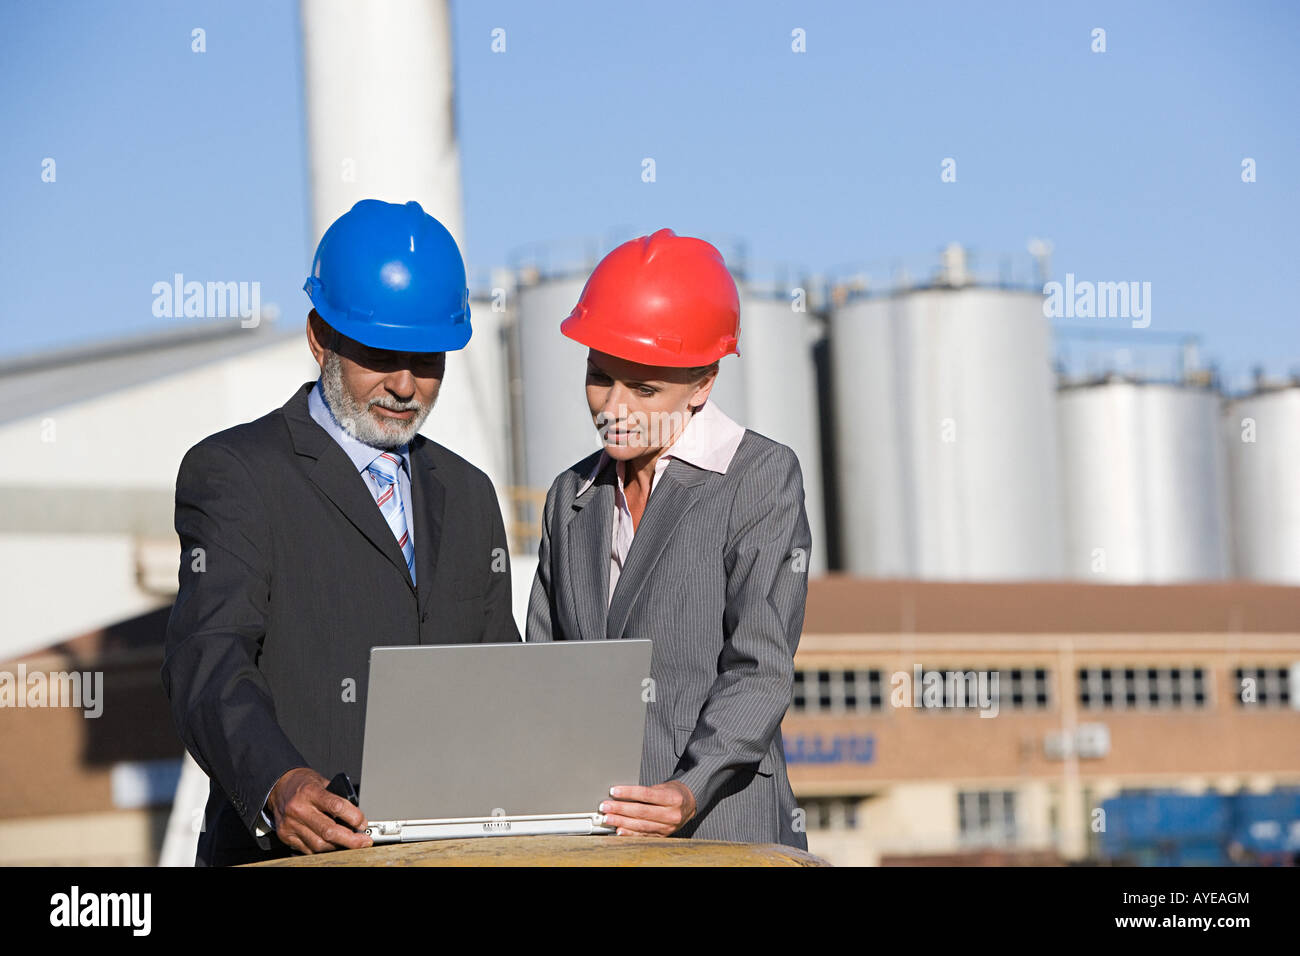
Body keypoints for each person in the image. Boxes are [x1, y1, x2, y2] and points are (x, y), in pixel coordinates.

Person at [162, 200, 519, 866]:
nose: (406, 385)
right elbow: (208, 659)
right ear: (319, 336)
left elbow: (498, 676)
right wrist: (276, 781)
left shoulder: (469, 494)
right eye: (381, 353)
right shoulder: (237, 474)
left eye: (427, 358)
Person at [526, 229, 811, 848]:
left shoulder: (758, 478)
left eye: (645, 389)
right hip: (592, 836)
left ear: (703, 383)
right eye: (599, 377)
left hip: (723, 830)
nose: (614, 407)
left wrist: (689, 789)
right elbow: (544, 672)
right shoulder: (568, 498)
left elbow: (760, 668)